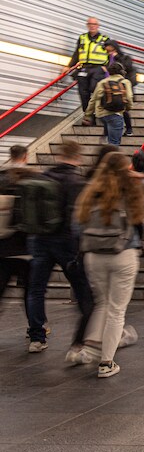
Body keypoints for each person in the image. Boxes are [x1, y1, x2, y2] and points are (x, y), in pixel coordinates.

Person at [73, 152, 144, 378]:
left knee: (102, 303)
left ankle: (90, 347)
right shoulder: (131, 189)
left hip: (93, 256)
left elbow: (78, 225)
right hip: (123, 254)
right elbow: (141, 219)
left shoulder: (91, 191)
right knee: (116, 311)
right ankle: (106, 362)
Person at [25, 141, 93, 356]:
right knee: (81, 287)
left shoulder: (41, 177)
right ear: (78, 157)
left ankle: (36, 337)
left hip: (40, 239)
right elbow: (77, 219)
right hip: (66, 242)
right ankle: (82, 338)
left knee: (36, 289)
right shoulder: (76, 181)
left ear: (58, 155)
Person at [0, 147, 36, 341]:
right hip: (26, 246)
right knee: (31, 291)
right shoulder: (32, 179)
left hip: (3, 245)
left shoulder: (2, 178)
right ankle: (35, 331)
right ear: (26, 156)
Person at [65, 17, 111, 117]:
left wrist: (106, 67)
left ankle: (101, 111)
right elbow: (77, 53)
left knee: (94, 89)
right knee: (83, 93)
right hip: (84, 68)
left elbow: (111, 54)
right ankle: (88, 116)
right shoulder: (82, 38)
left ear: (98, 26)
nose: (92, 26)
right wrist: (69, 66)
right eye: (90, 24)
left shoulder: (105, 39)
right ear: (87, 25)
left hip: (98, 68)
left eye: (94, 24)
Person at [85, 61, 133, 146]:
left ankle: (105, 141)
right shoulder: (125, 82)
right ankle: (110, 155)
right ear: (122, 72)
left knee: (109, 132)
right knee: (114, 143)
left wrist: (88, 115)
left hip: (102, 115)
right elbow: (129, 97)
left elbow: (93, 99)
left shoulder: (102, 82)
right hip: (116, 114)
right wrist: (128, 108)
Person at [102, 40, 136, 137]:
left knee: (123, 109)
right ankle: (107, 131)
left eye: (110, 49)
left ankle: (129, 129)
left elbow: (127, 67)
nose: (109, 52)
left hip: (121, 87)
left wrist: (116, 57)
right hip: (109, 87)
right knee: (107, 109)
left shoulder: (124, 58)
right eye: (107, 51)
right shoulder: (108, 59)